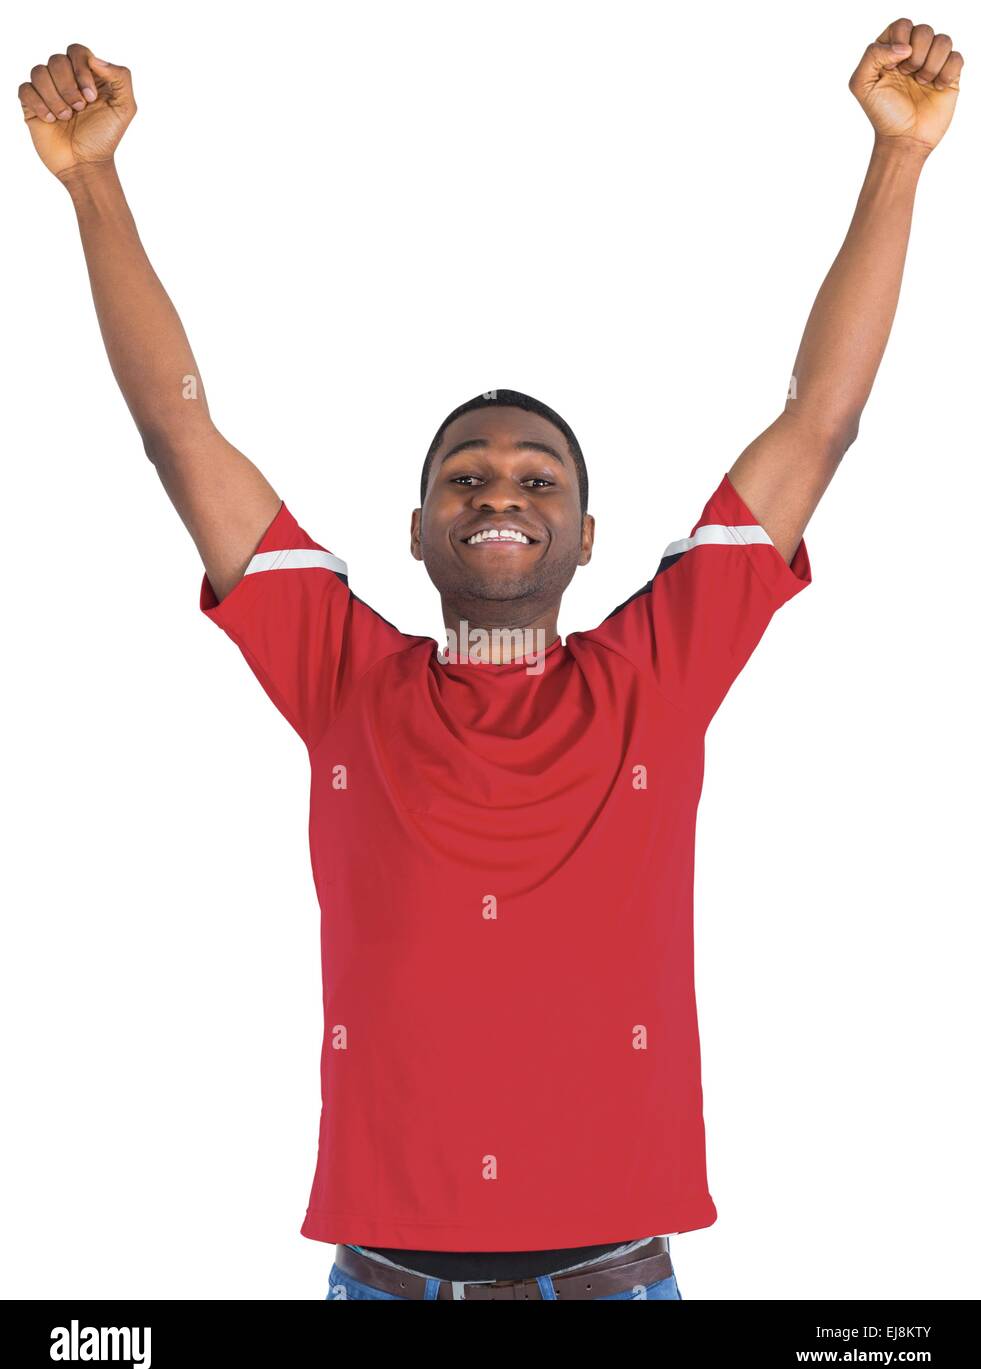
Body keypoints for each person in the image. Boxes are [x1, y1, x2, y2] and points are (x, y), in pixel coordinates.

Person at [19, 19, 962, 1301]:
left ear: (586, 532)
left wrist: (898, 162)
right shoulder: (341, 672)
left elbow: (823, 423)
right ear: (415, 529)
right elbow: (180, 443)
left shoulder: (661, 670)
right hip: (385, 1281)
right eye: (464, 477)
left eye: (536, 478)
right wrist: (92, 181)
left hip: (616, 1282)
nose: (498, 494)